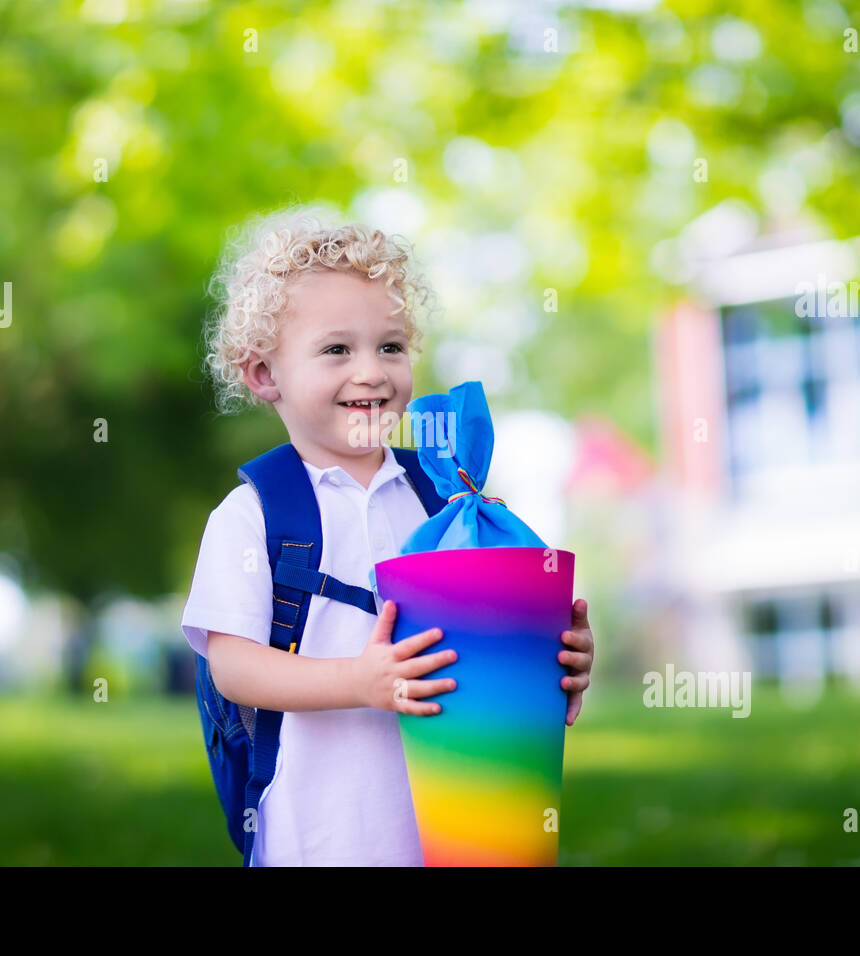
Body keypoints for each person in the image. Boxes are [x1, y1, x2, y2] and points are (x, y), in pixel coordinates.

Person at [180, 203, 595, 865]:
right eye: (337, 349)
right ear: (264, 373)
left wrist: (559, 659)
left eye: (391, 347)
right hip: (315, 836)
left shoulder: (451, 503)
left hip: (455, 833)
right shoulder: (252, 516)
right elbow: (233, 666)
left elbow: (500, 641)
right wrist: (362, 682)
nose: (371, 371)